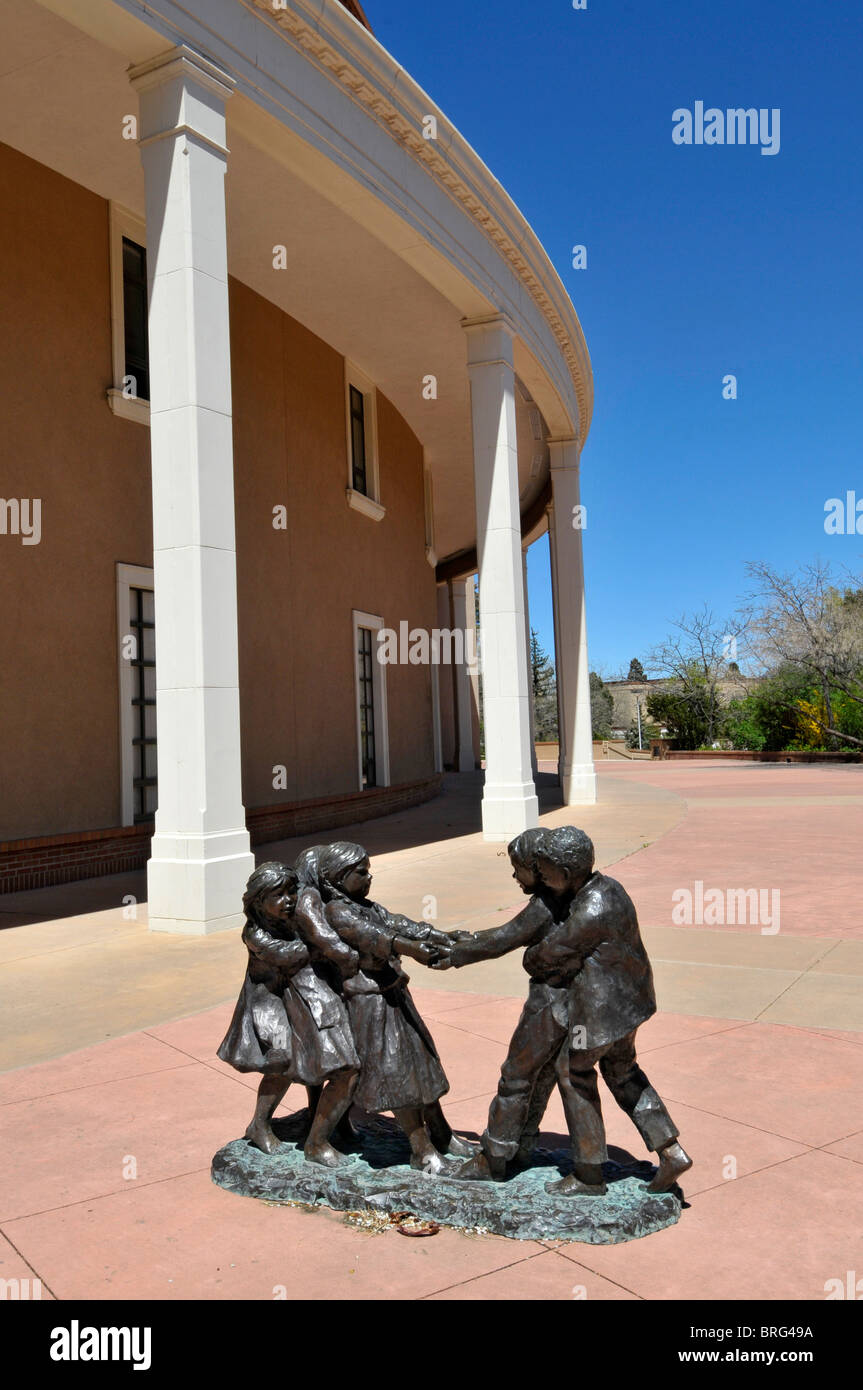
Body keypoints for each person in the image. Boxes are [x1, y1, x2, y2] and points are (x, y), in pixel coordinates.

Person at [524, 826, 693, 1196]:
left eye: (545, 870)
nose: (540, 877)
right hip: (630, 1005)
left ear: (566, 874)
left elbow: (547, 953)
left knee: (572, 1071)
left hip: (601, 1014)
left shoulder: (590, 909)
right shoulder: (610, 887)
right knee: (623, 1071)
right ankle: (670, 1150)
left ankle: (588, 1174)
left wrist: (530, 955)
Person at [295, 842, 476, 1173]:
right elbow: (373, 937)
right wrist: (412, 949)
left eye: (369, 870)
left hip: (392, 993)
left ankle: (441, 1133)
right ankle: (421, 1151)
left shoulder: (366, 905)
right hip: (369, 1002)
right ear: (336, 878)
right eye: (360, 872)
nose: (369, 877)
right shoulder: (339, 912)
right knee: (397, 1072)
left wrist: (441, 935)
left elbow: (399, 924)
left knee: (421, 1063)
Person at [431, 827, 574, 1179]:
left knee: (517, 1076)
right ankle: (522, 1145)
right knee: (542, 1077)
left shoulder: (545, 905)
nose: (514, 876)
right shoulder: (564, 897)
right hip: (571, 1001)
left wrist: (455, 953)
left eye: (518, 869)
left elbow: (503, 940)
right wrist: (469, 939)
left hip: (549, 1003)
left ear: (538, 869)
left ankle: (493, 1157)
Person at [217, 861, 360, 1166]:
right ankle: (259, 1124)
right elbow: (289, 957)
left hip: (296, 995)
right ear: (258, 902)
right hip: (268, 1003)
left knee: (321, 1055)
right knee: (281, 1060)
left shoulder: (293, 919)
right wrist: (321, 941)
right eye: (278, 896)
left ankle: (319, 1117)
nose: (289, 900)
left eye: (291, 892)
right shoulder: (255, 934)